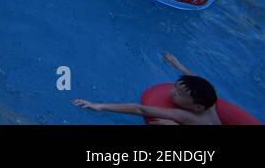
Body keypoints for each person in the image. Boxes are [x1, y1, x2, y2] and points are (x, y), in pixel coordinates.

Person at [75, 52, 226, 125]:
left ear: (197, 107)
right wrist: (177, 64)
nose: (172, 92)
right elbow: (196, 78)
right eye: (175, 88)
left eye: (179, 94)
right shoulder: (210, 103)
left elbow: (141, 110)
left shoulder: (187, 116)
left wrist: (99, 106)